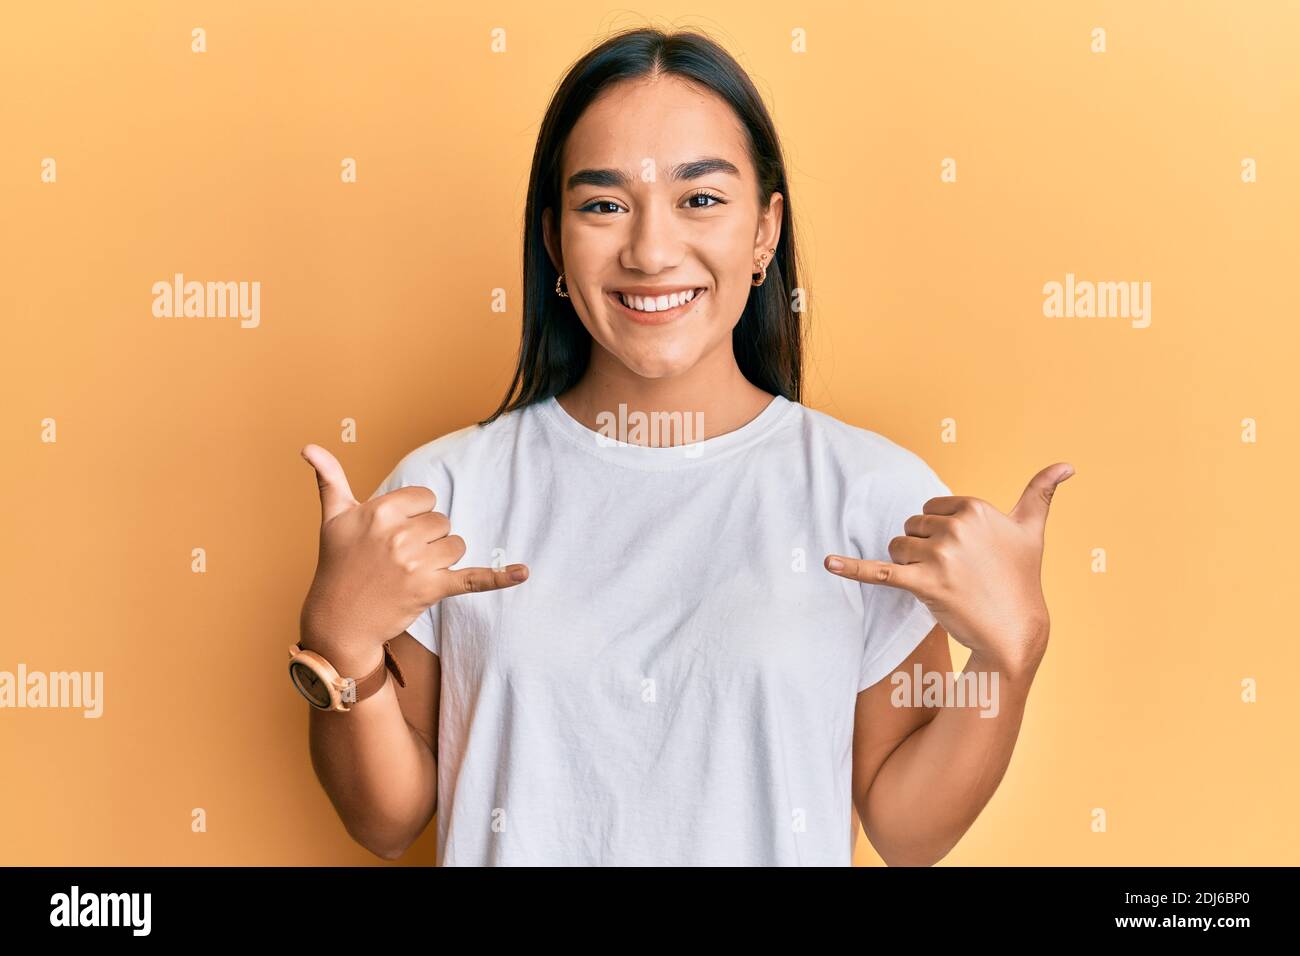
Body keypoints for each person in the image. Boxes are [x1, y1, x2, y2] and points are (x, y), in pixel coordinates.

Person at [295, 27, 1073, 866]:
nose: (652, 252)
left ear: (765, 232)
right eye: (604, 204)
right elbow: (387, 821)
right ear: (555, 239)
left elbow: (909, 831)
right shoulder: (449, 489)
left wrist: (1009, 652)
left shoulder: (868, 492)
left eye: (700, 199)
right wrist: (338, 641)